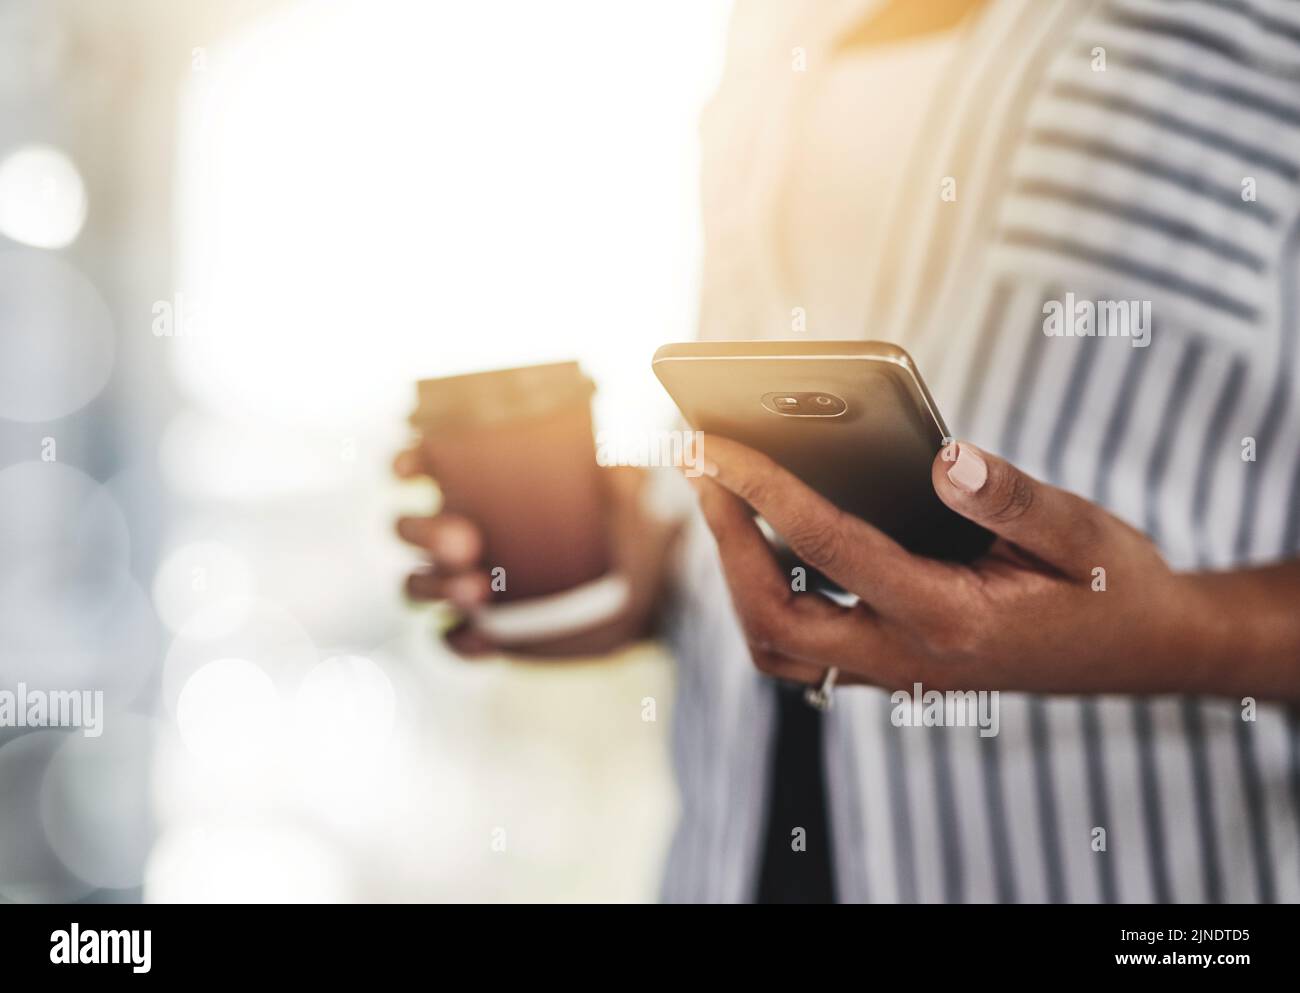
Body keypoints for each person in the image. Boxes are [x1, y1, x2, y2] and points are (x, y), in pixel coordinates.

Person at [397, 0, 1300, 902]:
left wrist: (1177, 632)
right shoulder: (765, 31)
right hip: (727, 861)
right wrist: (654, 570)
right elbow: (772, 411)